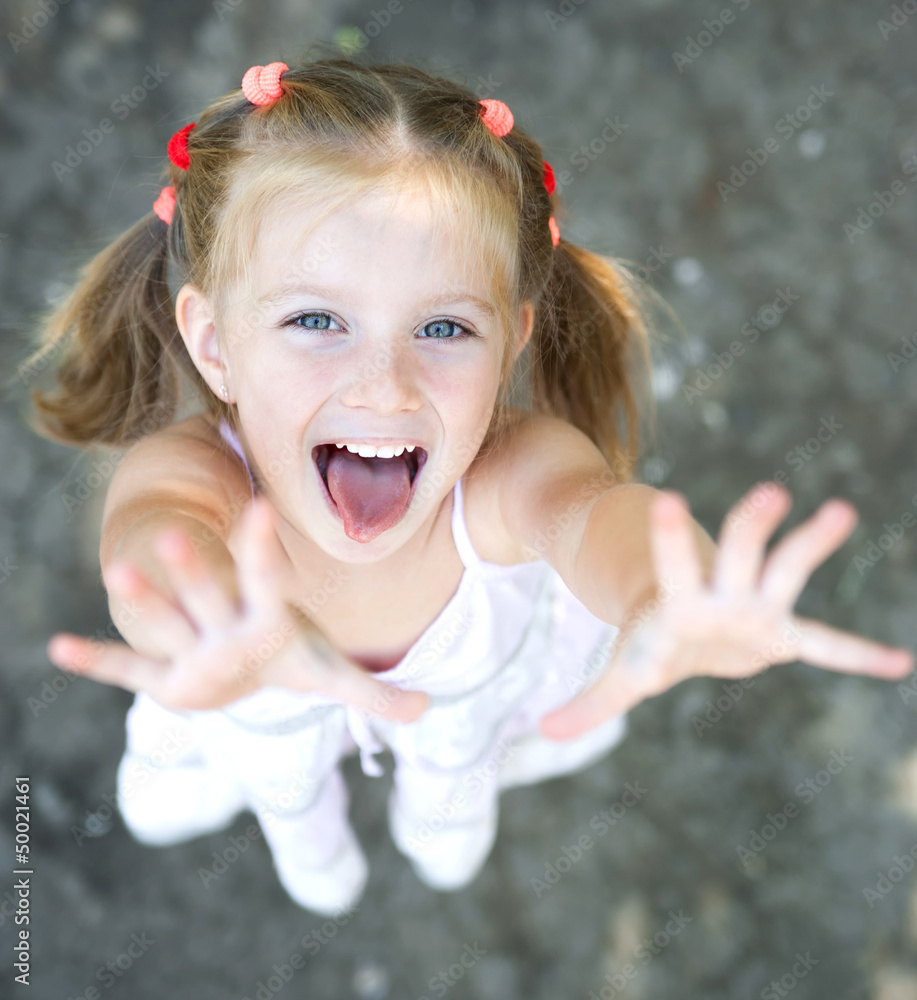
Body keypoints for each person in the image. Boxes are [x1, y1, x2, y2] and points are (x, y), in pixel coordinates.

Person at [23, 56, 912, 917]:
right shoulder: (194, 474)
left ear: (512, 341)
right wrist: (204, 619)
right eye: (315, 320)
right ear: (214, 343)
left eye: (443, 326)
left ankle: (437, 820)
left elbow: (595, 515)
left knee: (452, 784)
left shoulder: (504, 473)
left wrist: (662, 593)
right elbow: (154, 547)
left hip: (458, 710)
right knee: (288, 795)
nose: (384, 385)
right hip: (248, 698)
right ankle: (311, 848)